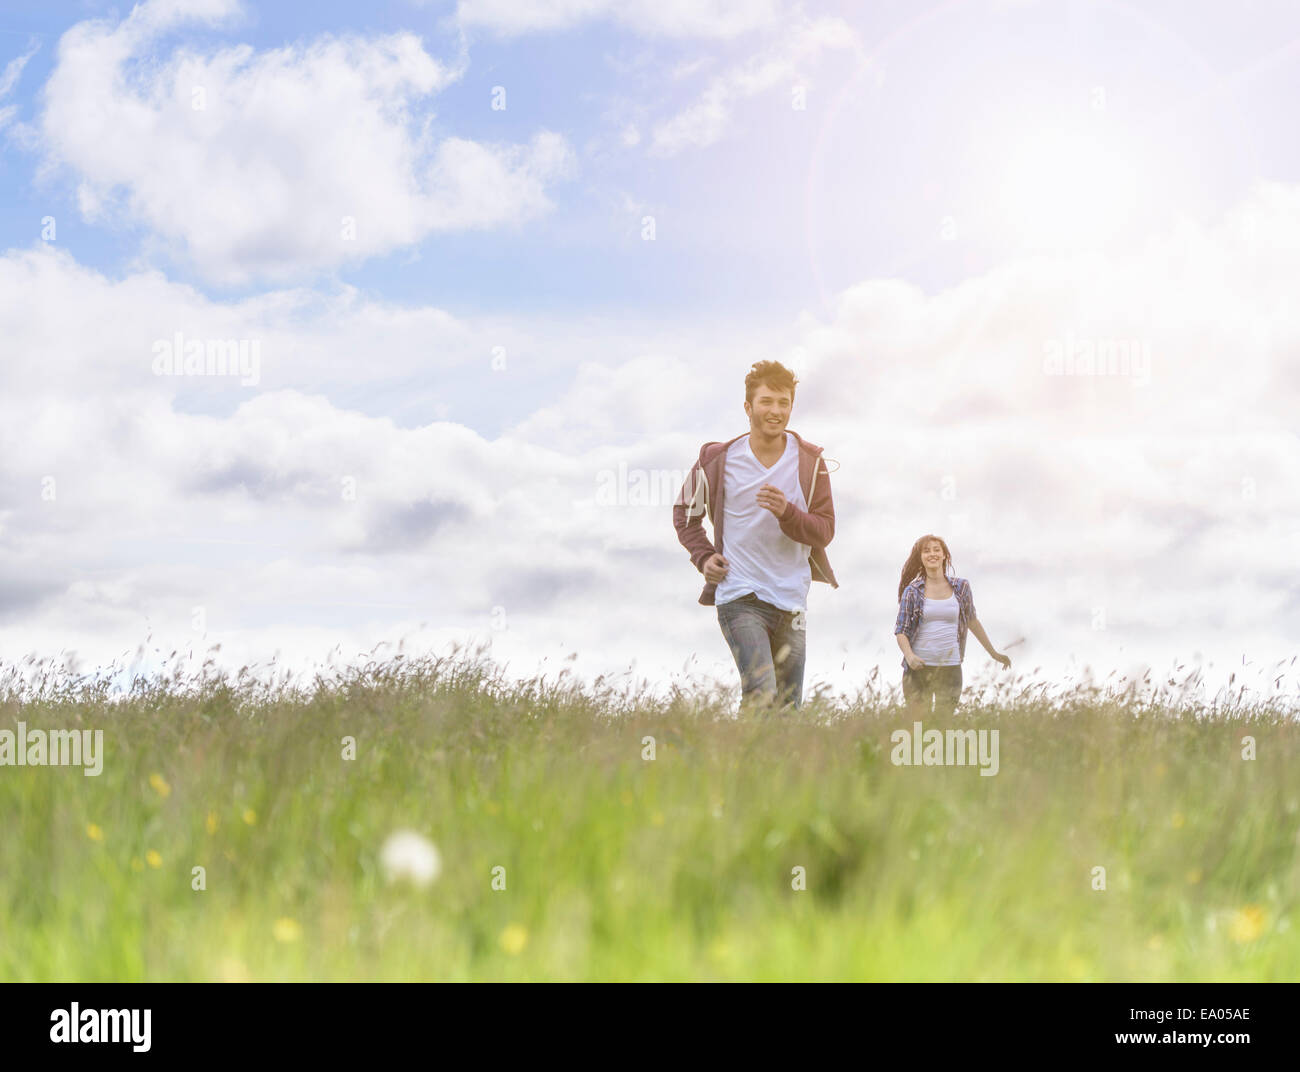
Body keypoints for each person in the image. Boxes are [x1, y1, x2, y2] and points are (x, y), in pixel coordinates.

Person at [672, 361, 838, 711]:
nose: (775, 411)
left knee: (788, 709)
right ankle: (738, 765)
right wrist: (703, 557)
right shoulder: (718, 460)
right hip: (740, 595)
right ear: (748, 407)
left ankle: (767, 766)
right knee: (760, 692)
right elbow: (685, 515)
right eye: (766, 401)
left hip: (792, 600)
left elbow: (824, 531)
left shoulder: (811, 462)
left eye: (783, 402)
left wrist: (787, 513)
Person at [893, 534, 1010, 716]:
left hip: (950, 668)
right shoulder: (912, 591)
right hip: (918, 669)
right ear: (920, 558)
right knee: (918, 725)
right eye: (926, 551)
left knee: (943, 725)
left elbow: (972, 621)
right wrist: (909, 656)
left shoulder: (961, 587)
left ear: (944, 555)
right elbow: (901, 631)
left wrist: (993, 653)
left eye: (936, 550)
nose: (932, 554)